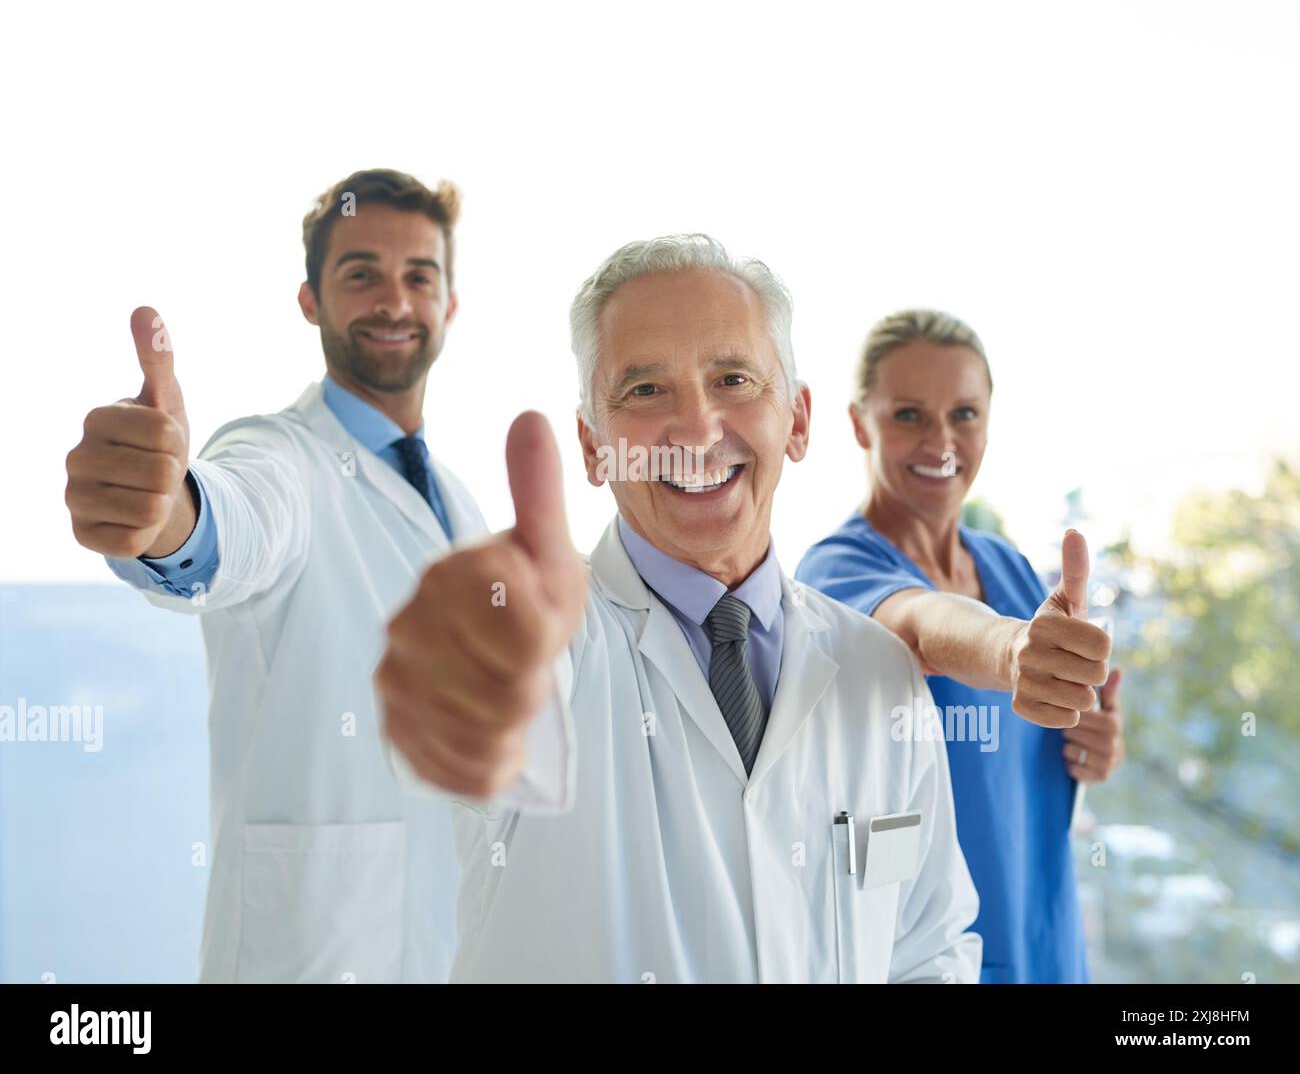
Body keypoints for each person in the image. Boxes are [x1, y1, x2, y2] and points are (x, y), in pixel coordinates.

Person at [377, 235, 981, 982]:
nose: (697, 431)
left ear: (796, 421)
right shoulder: (551, 651)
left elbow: (929, 944)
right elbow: (470, 721)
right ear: (593, 447)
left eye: (732, 378)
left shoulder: (877, 670)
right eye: (645, 391)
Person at [63, 169, 486, 982]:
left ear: (449, 305)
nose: (394, 301)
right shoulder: (277, 454)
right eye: (361, 273)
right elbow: (233, 519)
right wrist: (165, 520)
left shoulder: (460, 506)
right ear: (311, 300)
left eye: (418, 276)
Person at [795, 308, 1125, 983]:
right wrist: (1010, 652)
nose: (941, 441)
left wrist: (1090, 742)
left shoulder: (1009, 570)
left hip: (1047, 946)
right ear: (860, 423)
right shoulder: (834, 572)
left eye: (965, 415)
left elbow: (1022, 768)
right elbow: (921, 621)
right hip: (932, 962)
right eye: (909, 415)